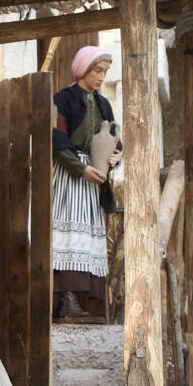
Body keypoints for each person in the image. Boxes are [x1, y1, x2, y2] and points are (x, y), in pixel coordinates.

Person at [52, 45, 122, 321]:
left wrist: (117, 156)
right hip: (71, 175)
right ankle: (66, 299)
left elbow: (115, 139)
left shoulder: (104, 104)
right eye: (97, 70)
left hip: (94, 181)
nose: (101, 77)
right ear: (83, 69)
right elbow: (57, 142)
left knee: (88, 237)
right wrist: (81, 169)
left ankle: (77, 300)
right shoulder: (64, 99)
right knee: (68, 236)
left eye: (105, 71)